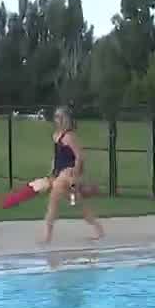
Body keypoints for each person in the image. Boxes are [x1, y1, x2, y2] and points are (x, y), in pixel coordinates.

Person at [42, 105, 105, 245]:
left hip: (68, 174)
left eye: (59, 117)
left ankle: (47, 236)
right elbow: (57, 156)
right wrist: (52, 171)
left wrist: (75, 175)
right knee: (77, 203)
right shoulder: (56, 136)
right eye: (55, 117)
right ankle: (99, 229)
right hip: (61, 174)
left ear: (65, 119)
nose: (56, 119)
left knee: (53, 201)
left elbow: (79, 156)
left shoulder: (69, 137)